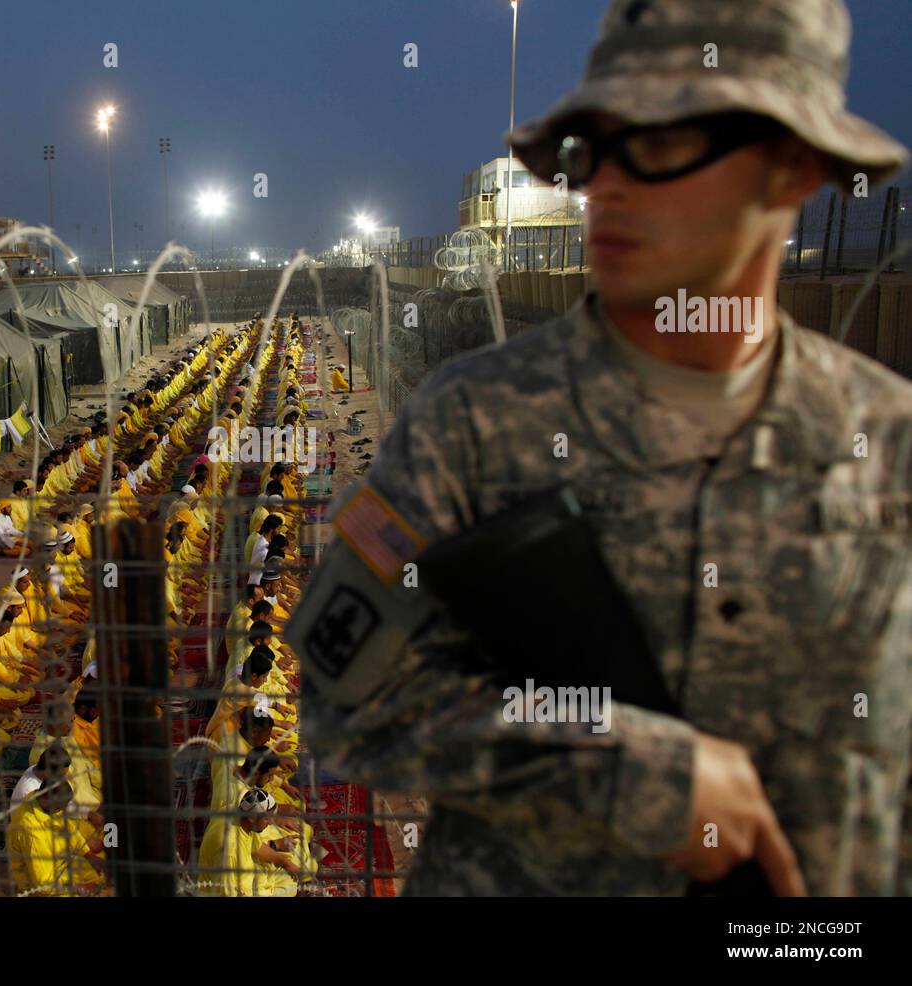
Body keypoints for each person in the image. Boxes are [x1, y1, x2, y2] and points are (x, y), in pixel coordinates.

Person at [289, 0, 911, 897]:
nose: (605, 186)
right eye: (592, 151)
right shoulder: (473, 422)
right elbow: (342, 690)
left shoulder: (886, 448)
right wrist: (623, 762)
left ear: (792, 167)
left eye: (657, 146)